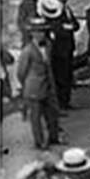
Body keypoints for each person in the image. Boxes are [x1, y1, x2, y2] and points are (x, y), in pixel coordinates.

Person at [17, 18, 60, 149]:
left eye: (42, 31)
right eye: (37, 32)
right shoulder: (28, 50)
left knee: (52, 113)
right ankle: (39, 142)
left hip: (48, 85)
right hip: (34, 88)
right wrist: (26, 85)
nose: (40, 34)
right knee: (35, 117)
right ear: (32, 34)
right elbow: (21, 72)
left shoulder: (48, 45)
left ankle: (54, 137)